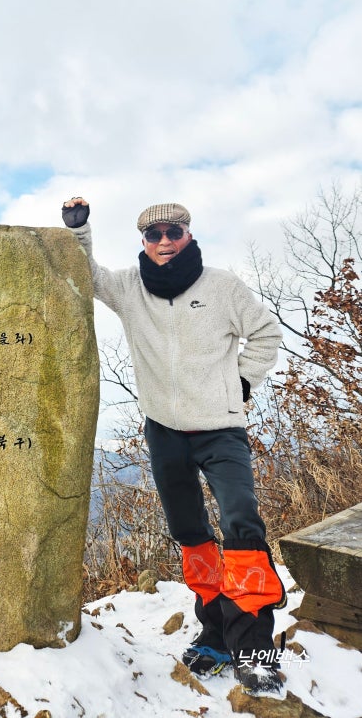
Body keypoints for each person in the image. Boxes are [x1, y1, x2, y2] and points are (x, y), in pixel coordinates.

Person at [62, 197, 286, 698]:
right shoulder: (130, 287)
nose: (164, 241)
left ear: (188, 234)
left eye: (173, 232)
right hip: (163, 431)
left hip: (220, 430)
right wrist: (80, 229)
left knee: (241, 525)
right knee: (192, 536)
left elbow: (266, 334)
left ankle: (254, 648)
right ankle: (215, 634)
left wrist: (243, 384)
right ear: (143, 241)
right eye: (153, 234)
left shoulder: (222, 286)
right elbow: (88, 276)